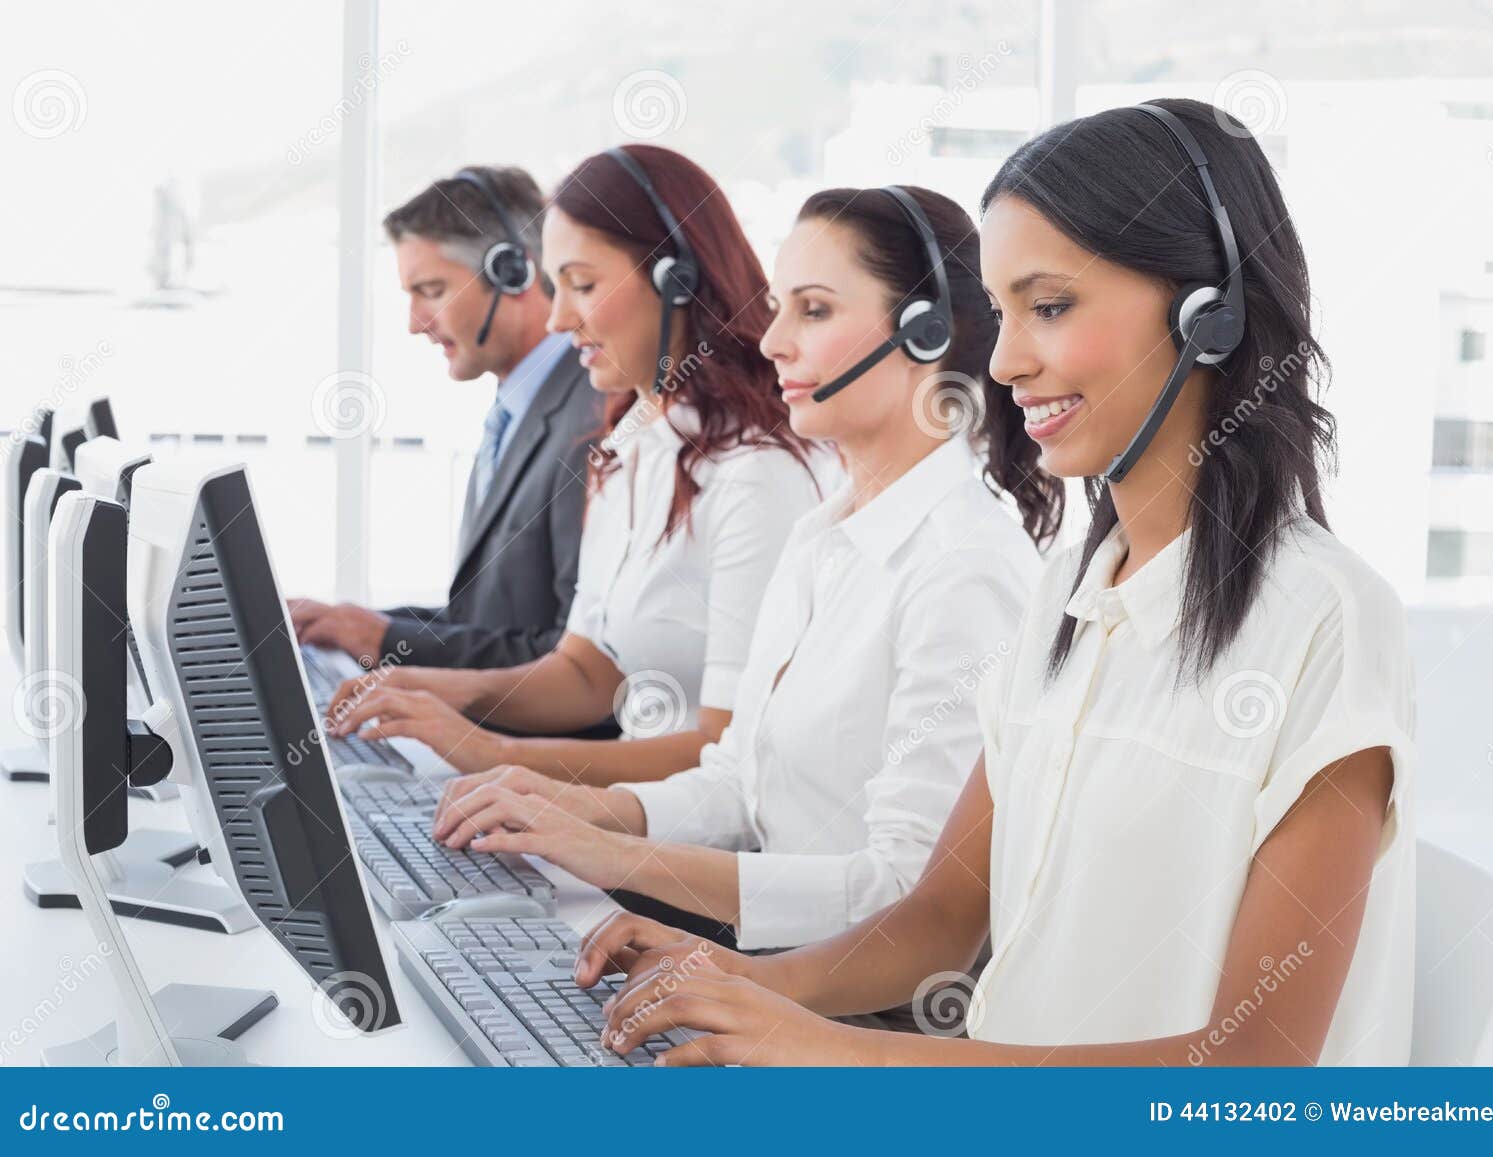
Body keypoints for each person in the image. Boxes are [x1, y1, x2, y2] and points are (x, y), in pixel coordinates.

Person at [566, 99, 1417, 1066]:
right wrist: (742, 985)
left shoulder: (1326, 622)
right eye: (1003, 312)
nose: (1006, 361)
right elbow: (937, 921)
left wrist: (841, 1053)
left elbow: (1253, 1069)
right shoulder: (1071, 590)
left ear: (1206, 317)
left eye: (1049, 307)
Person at [428, 185, 1061, 965]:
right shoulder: (819, 537)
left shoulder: (965, 569)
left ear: (925, 332)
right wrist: (580, 810)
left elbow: (907, 894)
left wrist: (616, 858)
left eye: (815, 310)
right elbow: (737, 783)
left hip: (862, 1023)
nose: (772, 342)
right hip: (769, 971)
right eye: (777, 307)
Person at [325, 145, 822, 786]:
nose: (560, 318)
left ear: (679, 279)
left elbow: (728, 751)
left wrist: (492, 755)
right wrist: (420, 687)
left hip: (694, 849)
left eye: (582, 285)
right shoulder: (627, 445)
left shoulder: (756, 471)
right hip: (632, 829)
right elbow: (588, 671)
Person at [290, 165, 601, 671]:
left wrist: (386, 639)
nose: (415, 325)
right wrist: (355, 625)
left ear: (513, 272)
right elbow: (488, 619)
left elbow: (574, 661)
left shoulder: (591, 417)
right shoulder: (515, 410)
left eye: (431, 291)